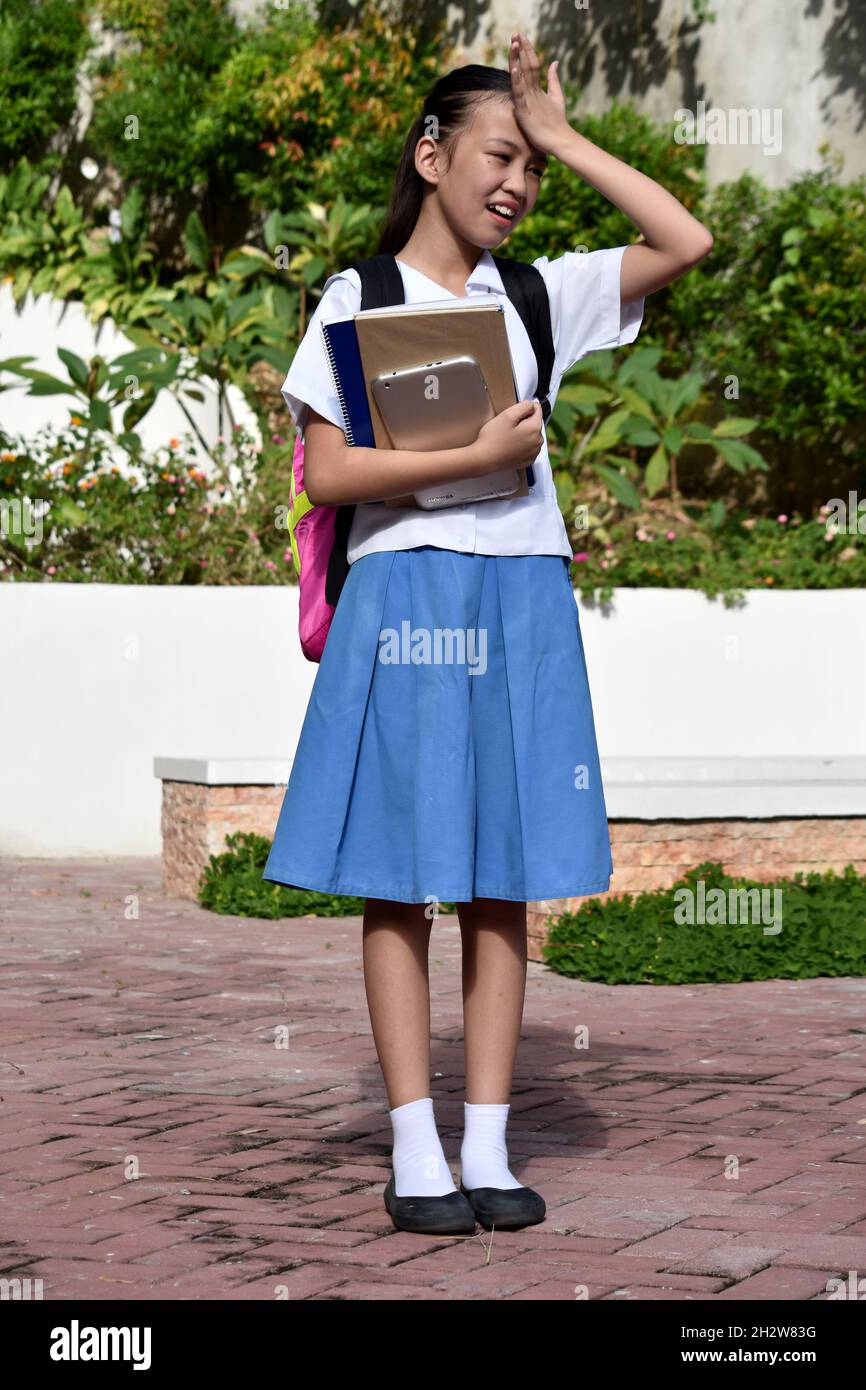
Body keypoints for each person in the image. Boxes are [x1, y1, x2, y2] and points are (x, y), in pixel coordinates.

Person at [263, 34, 713, 1235]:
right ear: (431, 154)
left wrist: (565, 133)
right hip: (406, 594)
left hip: (520, 596)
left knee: (503, 881)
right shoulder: (360, 297)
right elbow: (328, 468)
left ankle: (489, 1144)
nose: (516, 182)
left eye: (531, 166)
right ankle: (414, 1146)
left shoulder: (537, 293)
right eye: (498, 155)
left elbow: (684, 242)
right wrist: (481, 457)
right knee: (400, 881)